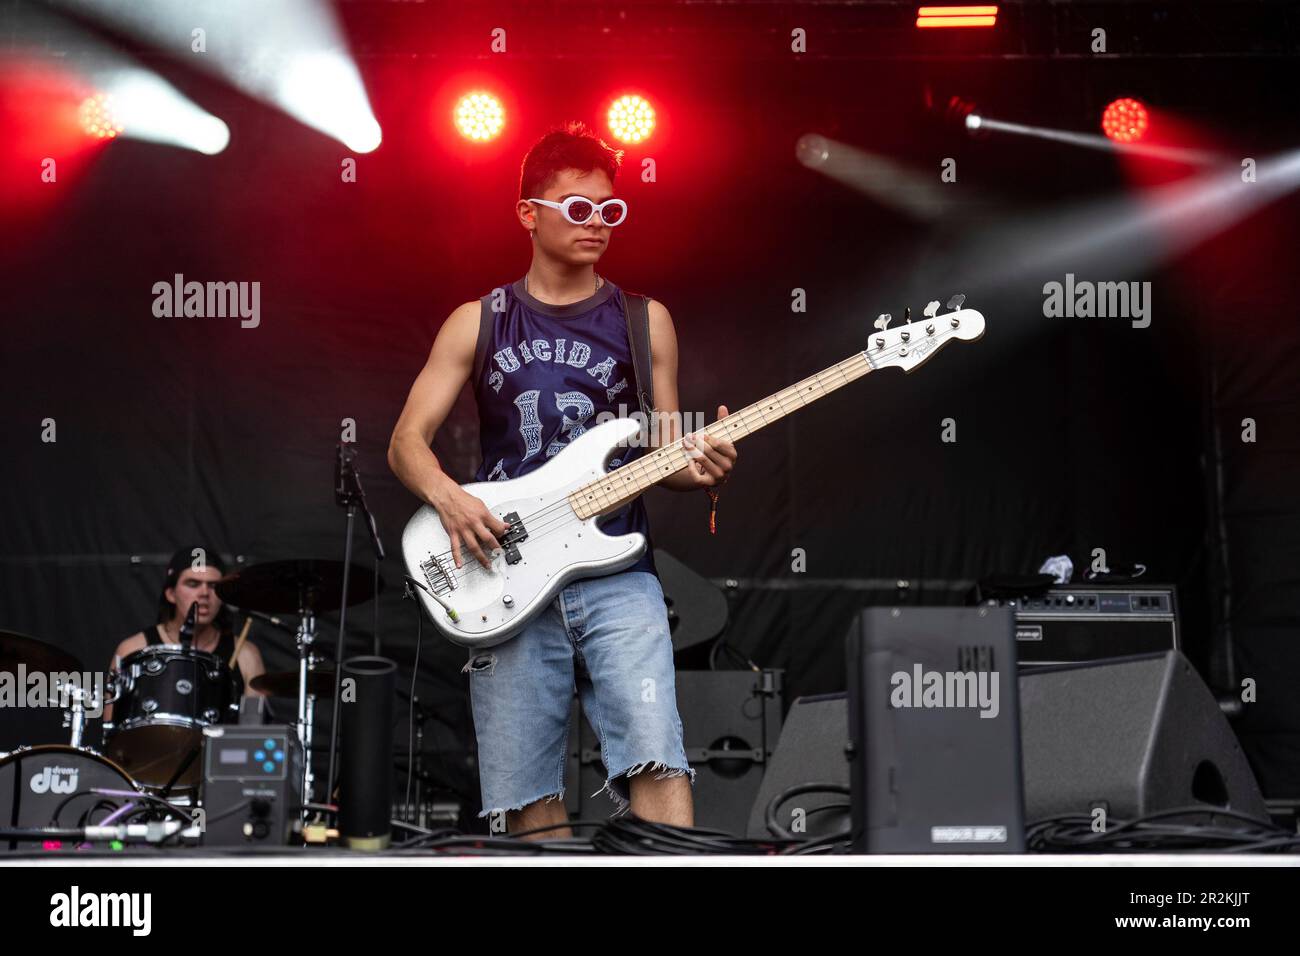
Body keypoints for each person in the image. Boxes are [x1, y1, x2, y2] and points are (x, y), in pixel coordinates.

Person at [389, 121, 737, 838]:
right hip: (506, 574)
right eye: (578, 208)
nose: (598, 224)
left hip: (620, 574)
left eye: (610, 210)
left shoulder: (645, 321)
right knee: (524, 793)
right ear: (529, 214)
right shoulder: (477, 320)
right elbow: (404, 444)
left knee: (657, 757)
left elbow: (665, 458)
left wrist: (699, 468)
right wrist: (450, 499)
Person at [105, 546, 267, 722]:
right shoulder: (134, 649)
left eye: (213, 586)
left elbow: (254, 731)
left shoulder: (246, 654)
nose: (204, 593)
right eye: (193, 584)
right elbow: (111, 726)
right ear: (171, 594)